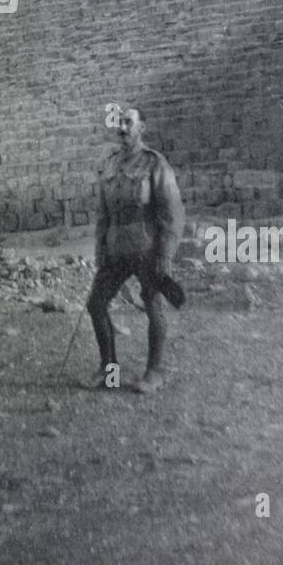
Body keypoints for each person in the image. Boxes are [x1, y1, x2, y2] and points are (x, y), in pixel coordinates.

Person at [87, 107, 185, 394]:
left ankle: (154, 371)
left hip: (146, 247)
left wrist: (165, 255)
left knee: (153, 305)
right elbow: (103, 214)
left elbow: (172, 213)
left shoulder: (155, 164)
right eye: (119, 123)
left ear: (142, 127)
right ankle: (110, 371)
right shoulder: (109, 165)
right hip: (116, 249)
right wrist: (100, 248)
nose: (123, 128)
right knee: (96, 304)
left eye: (129, 122)